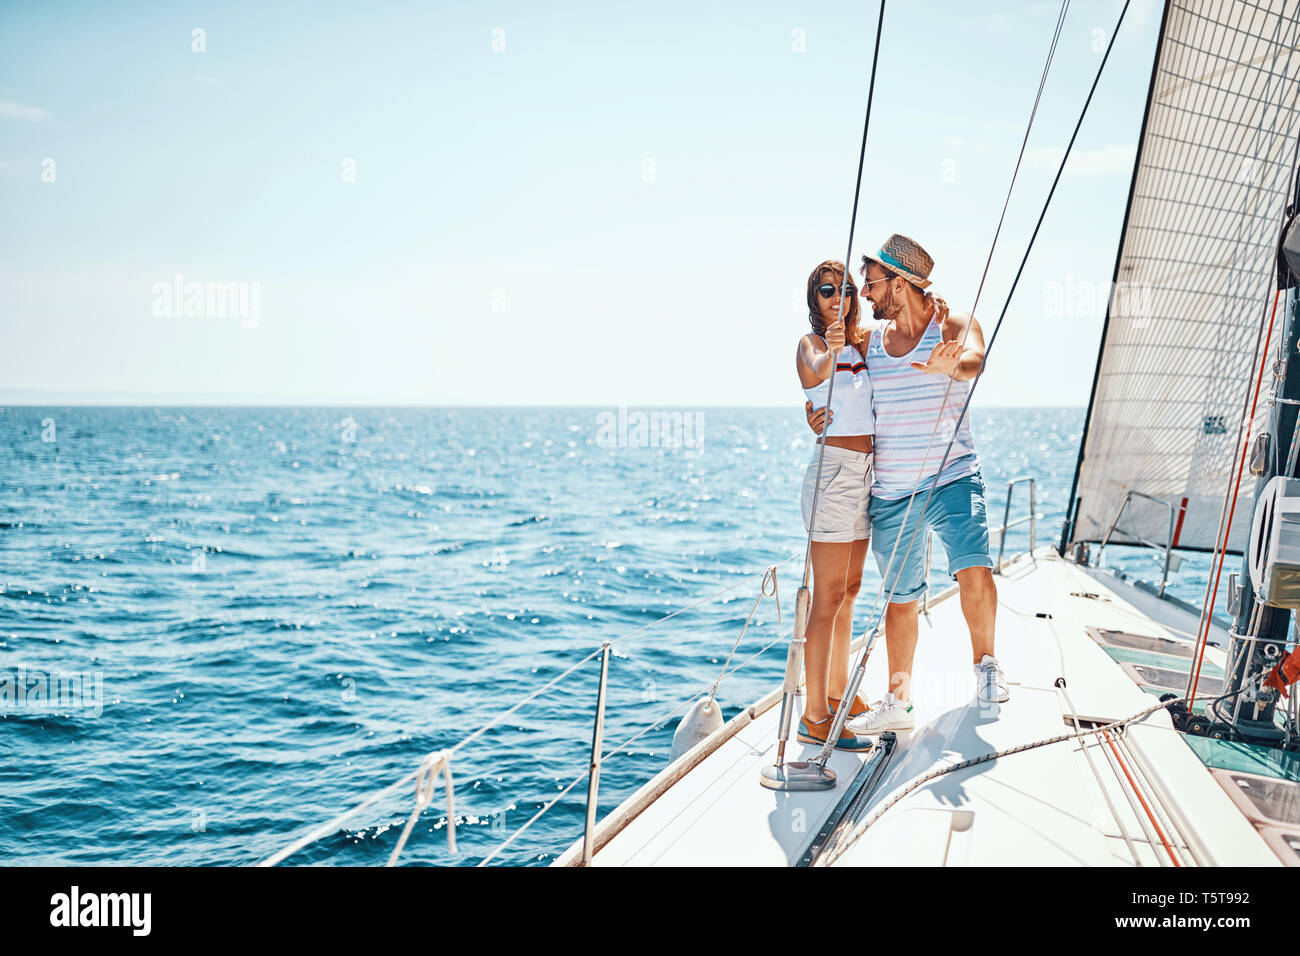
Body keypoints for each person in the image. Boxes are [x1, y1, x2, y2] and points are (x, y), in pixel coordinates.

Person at [805, 234, 1008, 735]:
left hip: (953, 475)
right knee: (900, 598)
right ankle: (899, 700)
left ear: (899, 282)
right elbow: (833, 381)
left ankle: (986, 667)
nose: (864, 294)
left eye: (870, 284)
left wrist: (953, 365)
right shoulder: (869, 344)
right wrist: (817, 419)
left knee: (973, 569)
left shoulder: (953, 324)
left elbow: (974, 360)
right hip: (892, 491)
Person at [793, 260, 875, 751]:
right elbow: (815, 372)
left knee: (851, 588)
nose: (836, 297)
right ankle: (814, 714)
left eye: (844, 289)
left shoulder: (861, 345)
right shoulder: (814, 346)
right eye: (827, 290)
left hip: (866, 474)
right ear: (814, 299)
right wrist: (836, 347)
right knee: (826, 597)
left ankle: (838, 688)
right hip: (833, 475)